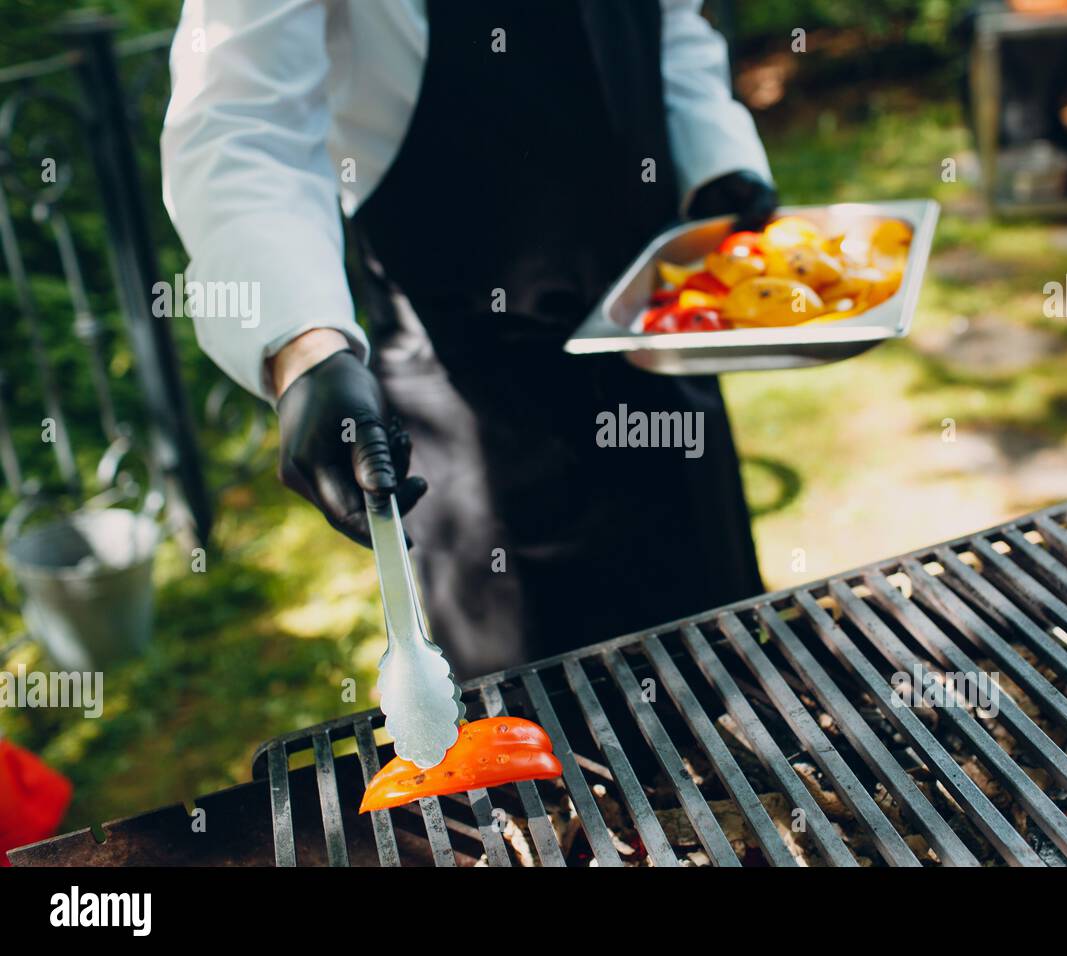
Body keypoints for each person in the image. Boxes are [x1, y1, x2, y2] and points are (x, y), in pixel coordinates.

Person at [162, 1, 774, 677]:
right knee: (545, 735)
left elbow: (672, 25)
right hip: (474, 403)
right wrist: (304, 351)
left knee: (728, 668)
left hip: (659, 354)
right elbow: (240, 128)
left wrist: (716, 162)